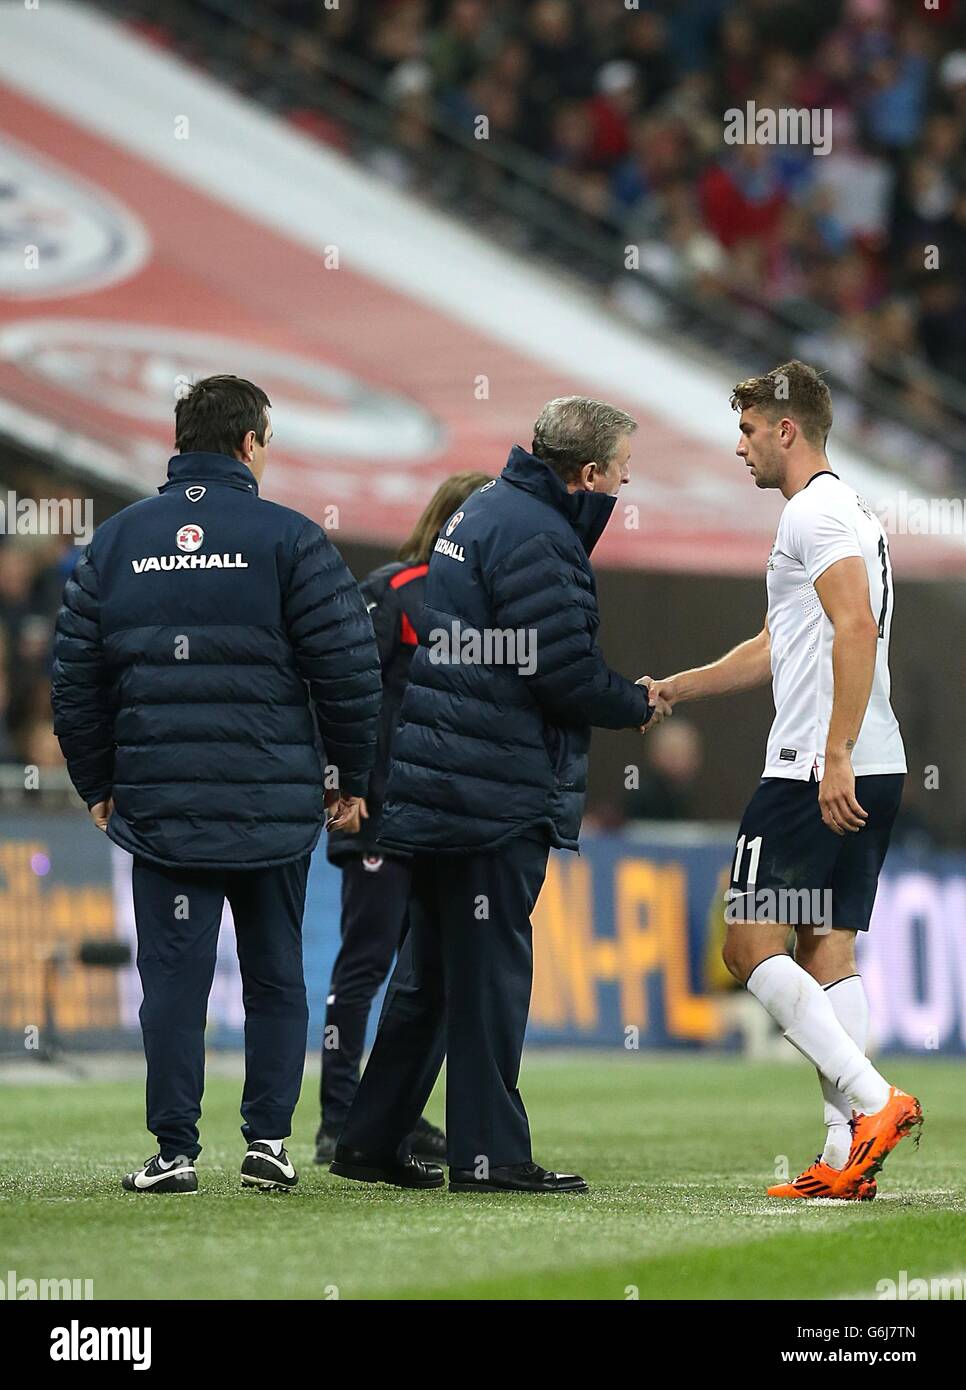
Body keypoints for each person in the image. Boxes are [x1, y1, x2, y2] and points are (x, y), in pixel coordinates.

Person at [51, 375, 381, 1195]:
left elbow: (73, 681)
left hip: (161, 808)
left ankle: (174, 1153)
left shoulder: (117, 543)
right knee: (275, 979)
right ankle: (268, 1143)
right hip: (273, 808)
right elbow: (348, 670)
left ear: (180, 438)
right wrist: (349, 777)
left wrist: (97, 780)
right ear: (250, 443)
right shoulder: (292, 539)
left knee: (172, 986)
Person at [330, 396, 668, 1195]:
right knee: (488, 976)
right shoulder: (539, 534)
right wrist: (636, 702)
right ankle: (490, 1158)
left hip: (439, 778)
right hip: (492, 789)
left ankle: (368, 1140)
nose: (624, 487)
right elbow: (558, 670)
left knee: (431, 978)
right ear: (588, 474)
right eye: (622, 472)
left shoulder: (485, 508)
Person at [641, 360, 922, 1201]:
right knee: (826, 949)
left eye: (749, 429)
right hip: (872, 760)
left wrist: (831, 752)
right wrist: (681, 686)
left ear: (787, 428)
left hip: (813, 768)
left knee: (745, 947)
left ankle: (875, 1103)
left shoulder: (817, 511)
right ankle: (844, 1156)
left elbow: (855, 626)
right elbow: (779, 645)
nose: (740, 446)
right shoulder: (845, 513)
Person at [316, 471, 490, 1167]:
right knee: (365, 966)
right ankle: (337, 1119)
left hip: (446, 824)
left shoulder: (480, 607)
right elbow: (346, 691)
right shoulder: (391, 592)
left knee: (424, 977)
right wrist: (344, 785)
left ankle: (393, 1114)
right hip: (382, 815)